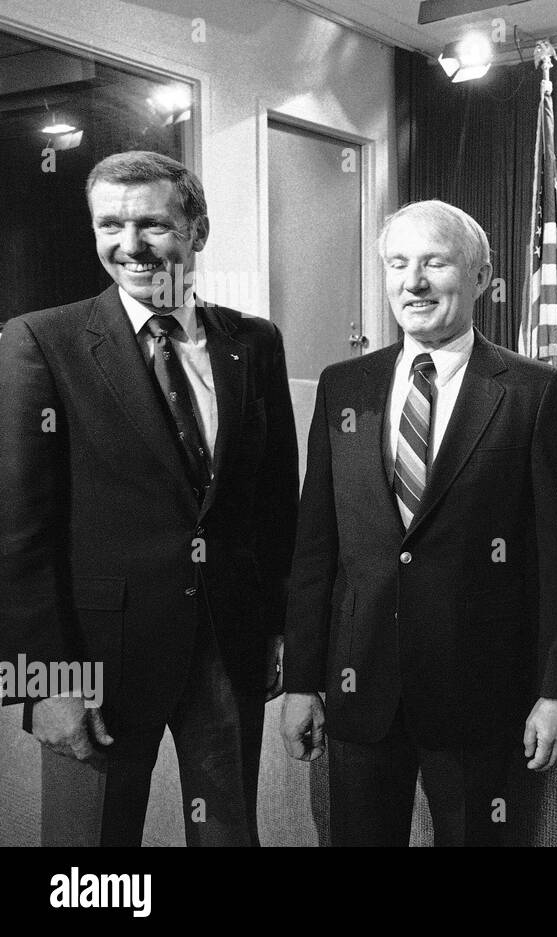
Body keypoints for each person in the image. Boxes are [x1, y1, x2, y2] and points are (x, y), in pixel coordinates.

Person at [0, 151, 298, 846]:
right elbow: (18, 532)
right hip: (96, 660)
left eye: (153, 223)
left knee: (228, 835)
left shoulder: (255, 342)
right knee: (88, 860)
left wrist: (282, 626)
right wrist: (44, 679)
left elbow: (274, 500)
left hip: (230, 640)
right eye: (110, 223)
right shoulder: (42, 341)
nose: (129, 244)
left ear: (197, 230)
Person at [280, 199, 557, 847]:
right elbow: (316, 547)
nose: (412, 281)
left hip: (481, 701)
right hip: (360, 693)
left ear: (480, 278)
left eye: (434, 262)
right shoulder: (344, 387)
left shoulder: (533, 393)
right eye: (398, 263)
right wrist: (302, 680)